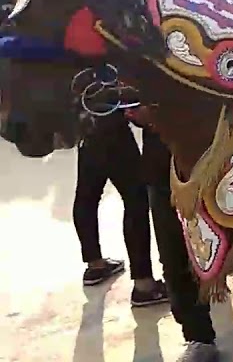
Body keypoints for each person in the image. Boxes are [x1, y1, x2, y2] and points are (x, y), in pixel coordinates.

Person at [132, 106, 221, 361]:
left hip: (220, 158)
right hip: (163, 170)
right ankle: (198, 336)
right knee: (175, 257)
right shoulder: (141, 66)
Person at [72, 110, 169, 307]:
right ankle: (144, 285)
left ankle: (95, 264)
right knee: (136, 200)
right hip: (112, 125)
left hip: (86, 121)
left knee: (87, 196)